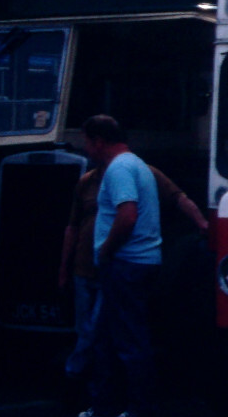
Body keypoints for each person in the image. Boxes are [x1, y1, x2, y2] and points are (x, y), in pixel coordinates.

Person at [58, 156, 208, 391]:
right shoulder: (87, 181)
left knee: (98, 330)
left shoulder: (143, 173)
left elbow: (177, 197)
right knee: (85, 328)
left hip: (112, 265)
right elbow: (73, 226)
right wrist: (64, 268)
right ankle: (93, 384)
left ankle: (77, 376)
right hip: (83, 267)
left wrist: (202, 223)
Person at [76, 116, 168, 417]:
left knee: (129, 337)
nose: (86, 149)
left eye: (87, 142)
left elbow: (127, 215)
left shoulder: (118, 169)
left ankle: (140, 411)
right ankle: (103, 404)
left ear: (99, 141)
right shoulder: (136, 164)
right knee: (105, 334)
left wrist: (105, 250)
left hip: (127, 263)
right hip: (134, 262)